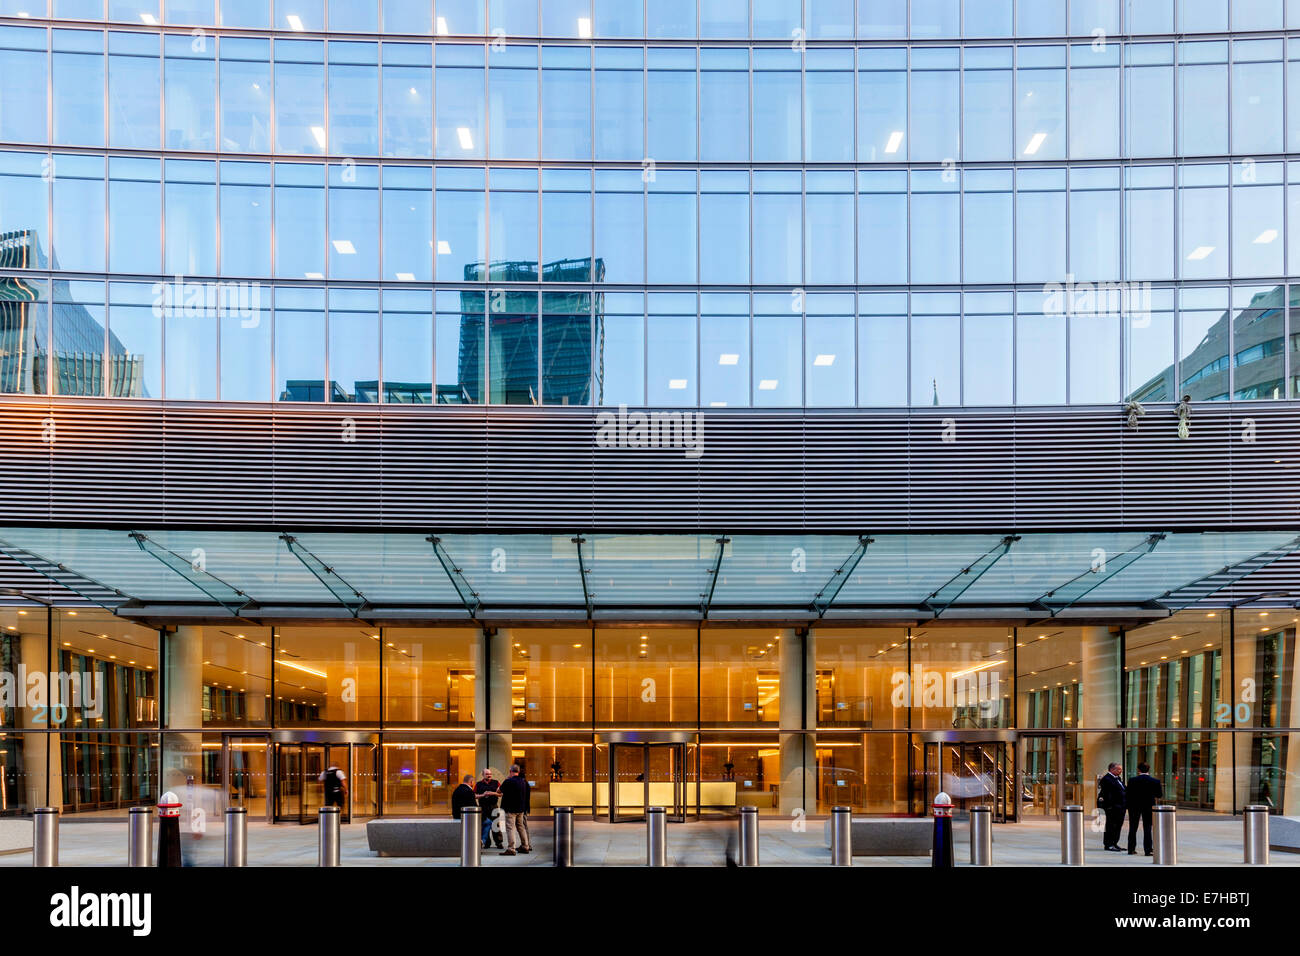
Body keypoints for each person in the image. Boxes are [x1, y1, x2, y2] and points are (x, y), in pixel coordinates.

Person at [1126, 762, 1163, 856]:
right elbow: (1159, 795)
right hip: (1148, 806)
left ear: (1138, 770)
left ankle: (1131, 849)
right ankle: (1148, 850)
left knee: (1133, 827)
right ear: (1148, 770)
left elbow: (1128, 794)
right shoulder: (1155, 781)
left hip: (1134, 806)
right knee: (1147, 828)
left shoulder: (1132, 780)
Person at [497, 763, 532, 856]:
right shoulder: (523, 781)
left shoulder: (508, 781)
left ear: (510, 771)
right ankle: (525, 846)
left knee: (510, 828)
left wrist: (506, 779)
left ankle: (511, 849)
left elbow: (498, 790)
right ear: (519, 771)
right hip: (521, 809)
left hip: (510, 809)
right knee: (521, 827)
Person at [1097, 762, 1126, 851]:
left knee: (1118, 826)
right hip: (1113, 807)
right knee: (1111, 826)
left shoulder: (1118, 778)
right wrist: (1111, 806)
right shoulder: (1107, 779)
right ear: (1112, 769)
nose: (1121, 771)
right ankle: (1109, 844)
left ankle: (1114, 843)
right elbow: (1108, 795)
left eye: (1121, 769)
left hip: (1121, 807)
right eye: (1119, 769)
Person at [474, 768, 503, 849]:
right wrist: (482, 795)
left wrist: (492, 793)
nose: (489, 775)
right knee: (484, 825)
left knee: (495, 825)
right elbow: (474, 795)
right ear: (483, 775)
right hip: (482, 807)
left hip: (494, 807)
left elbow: (501, 794)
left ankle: (499, 842)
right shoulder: (478, 784)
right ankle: (486, 842)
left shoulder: (496, 783)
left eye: (490, 774)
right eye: (487, 774)